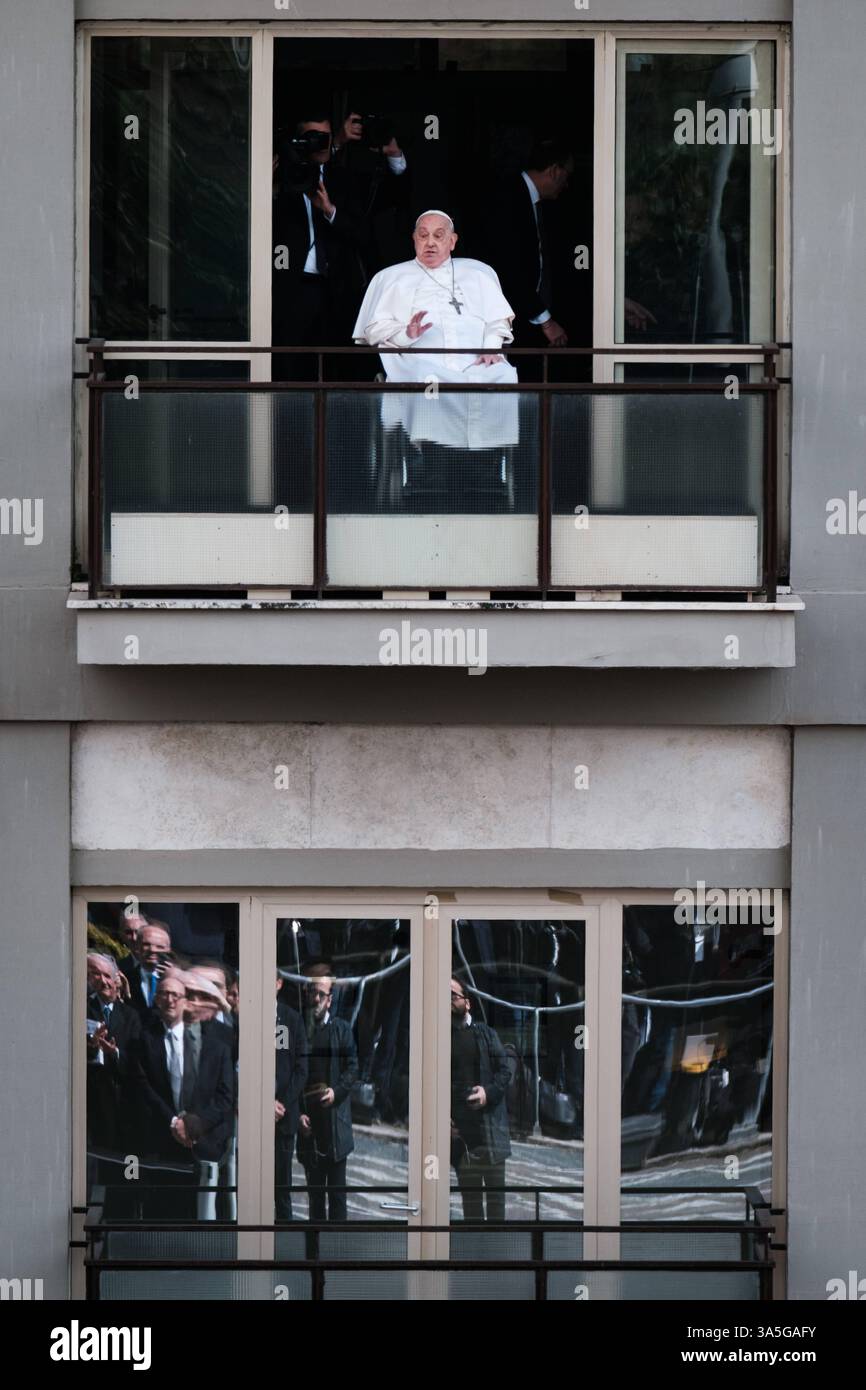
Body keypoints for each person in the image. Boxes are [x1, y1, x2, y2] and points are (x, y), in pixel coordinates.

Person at [352, 210, 520, 459]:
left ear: (452, 241)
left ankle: (489, 460)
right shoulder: (392, 277)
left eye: (438, 236)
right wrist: (406, 334)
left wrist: (491, 348)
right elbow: (376, 329)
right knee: (427, 379)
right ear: (414, 239)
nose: (430, 242)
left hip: (476, 362)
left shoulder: (477, 273)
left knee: (503, 375)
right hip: (422, 364)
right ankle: (431, 459)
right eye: (423, 235)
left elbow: (498, 319)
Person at [272, 111, 364, 382]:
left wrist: (329, 210)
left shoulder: (342, 179)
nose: (321, 144)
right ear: (299, 141)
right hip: (293, 286)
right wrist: (269, 185)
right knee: (290, 364)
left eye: (327, 138)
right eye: (314, 138)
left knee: (334, 366)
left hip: (335, 287)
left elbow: (362, 233)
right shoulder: (282, 176)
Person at [133, 972, 234, 1214]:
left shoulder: (216, 1047)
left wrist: (194, 1125)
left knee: (201, 1220)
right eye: (164, 994)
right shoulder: (144, 1041)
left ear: (185, 1002)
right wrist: (174, 1123)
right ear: (156, 1000)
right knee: (162, 1216)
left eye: (175, 995)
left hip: (203, 1146)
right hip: (161, 1146)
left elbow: (225, 1097)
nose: (170, 1000)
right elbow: (143, 1087)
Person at [483, 138, 574, 381]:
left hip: (527, 317)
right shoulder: (507, 197)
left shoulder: (530, 199)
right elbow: (509, 267)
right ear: (554, 171)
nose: (566, 184)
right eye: (567, 175)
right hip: (507, 320)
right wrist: (546, 321)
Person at [297, 966, 359, 1224]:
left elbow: (353, 1069)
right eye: (312, 992)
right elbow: (288, 1074)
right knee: (315, 1202)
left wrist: (337, 1091)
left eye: (321, 994)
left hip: (334, 1126)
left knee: (337, 1199)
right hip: (309, 1125)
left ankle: (337, 1247)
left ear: (330, 1000)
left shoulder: (342, 1029)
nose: (315, 999)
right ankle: (315, 1249)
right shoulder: (298, 1029)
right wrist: (298, 1114)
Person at [450, 978, 512, 1223]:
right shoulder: (440, 1039)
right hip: (463, 1137)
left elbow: (505, 1072)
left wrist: (487, 1093)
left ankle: (495, 1250)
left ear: (468, 1003)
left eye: (453, 995)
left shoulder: (486, 1033)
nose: (447, 1001)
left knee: (497, 1206)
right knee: (471, 1207)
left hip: (491, 1134)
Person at [86, 953, 141, 1182]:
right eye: (95, 975)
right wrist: (91, 1048)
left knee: (124, 1170)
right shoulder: (82, 1009)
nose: (103, 981)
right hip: (91, 1101)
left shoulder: (130, 1015)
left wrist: (114, 1053)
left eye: (107, 976)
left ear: (116, 979)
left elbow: (138, 1058)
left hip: (122, 1100)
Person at [274, 972, 308, 1223]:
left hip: (283, 1118)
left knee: (282, 1186)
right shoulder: (248, 1015)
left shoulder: (292, 1019)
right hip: (254, 1115)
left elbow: (301, 1069)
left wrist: (281, 1103)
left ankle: (285, 1235)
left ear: (279, 983)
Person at [122, 921, 173, 1016]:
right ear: (137, 947)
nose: (152, 950)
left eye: (159, 946)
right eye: (146, 944)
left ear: (168, 950)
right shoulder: (125, 979)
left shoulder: (179, 981)